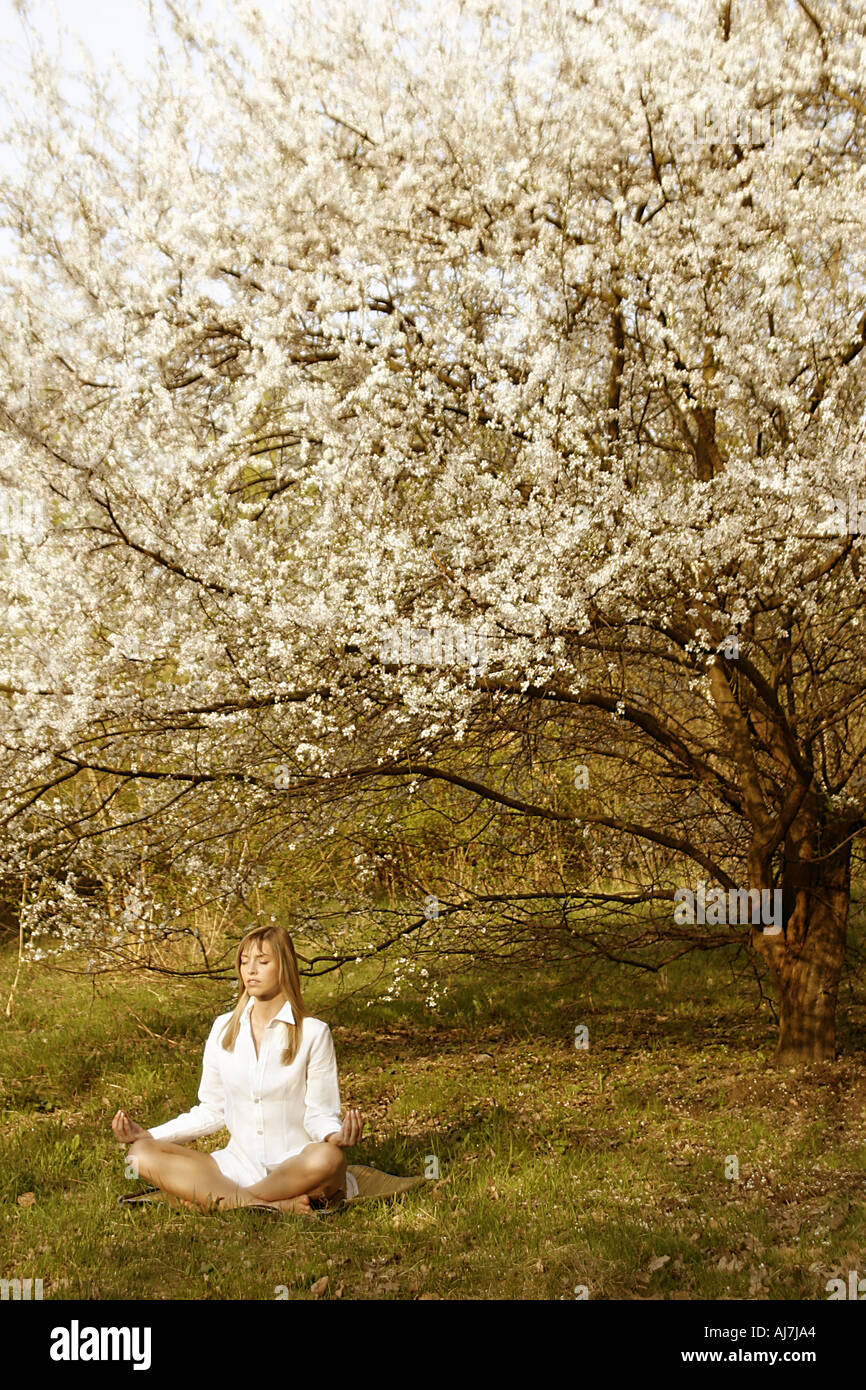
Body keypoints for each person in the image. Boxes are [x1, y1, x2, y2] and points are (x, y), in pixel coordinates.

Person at [111, 923, 363, 1215]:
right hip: (233, 1165)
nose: (250, 970)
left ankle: (213, 1202)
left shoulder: (313, 1032)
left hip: (297, 1167)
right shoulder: (223, 1028)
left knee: (330, 1159)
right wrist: (149, 1136)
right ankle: (263, 1205)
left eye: (263, 961)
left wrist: (335, 1135)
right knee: (139, 1155)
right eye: (244, 962)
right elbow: (212, 1110)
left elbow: (319, 1113)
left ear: (285, 967)